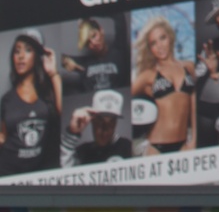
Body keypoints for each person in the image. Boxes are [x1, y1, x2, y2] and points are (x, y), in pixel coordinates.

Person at [0, 30, 62, 174]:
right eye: (17, 51)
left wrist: (53, 74)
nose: (21, 56)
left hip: (39, 174)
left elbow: (61, 113)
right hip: (9, 173)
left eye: (28, 50)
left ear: (37, 57)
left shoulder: (47, 94)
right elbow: (3, 136)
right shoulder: (7, 100)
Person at [131, 16, 195, 154]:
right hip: (156, 147)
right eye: (153, 43)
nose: (159, 46)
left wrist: (194, 140)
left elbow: (194, 103)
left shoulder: (189, 67)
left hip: (183, 145)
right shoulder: (148, 75)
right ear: (149, 48)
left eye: (162, 38)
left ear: (170, 37)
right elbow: (125, 99)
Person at [61, 89, 131, 166]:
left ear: (116, 123)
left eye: (111, 123)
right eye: (100, 122)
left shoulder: (127, 147)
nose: (105, 130)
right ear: (92, 121)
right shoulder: (82, 152)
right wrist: (72, 133)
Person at [61, 17, 123, 94]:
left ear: (101, 30)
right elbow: (57, 58)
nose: (93, 43)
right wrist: (65, 61)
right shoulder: (84, 63)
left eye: (94, 35)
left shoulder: (119, 51)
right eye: (88, 42)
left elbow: (120, 17)